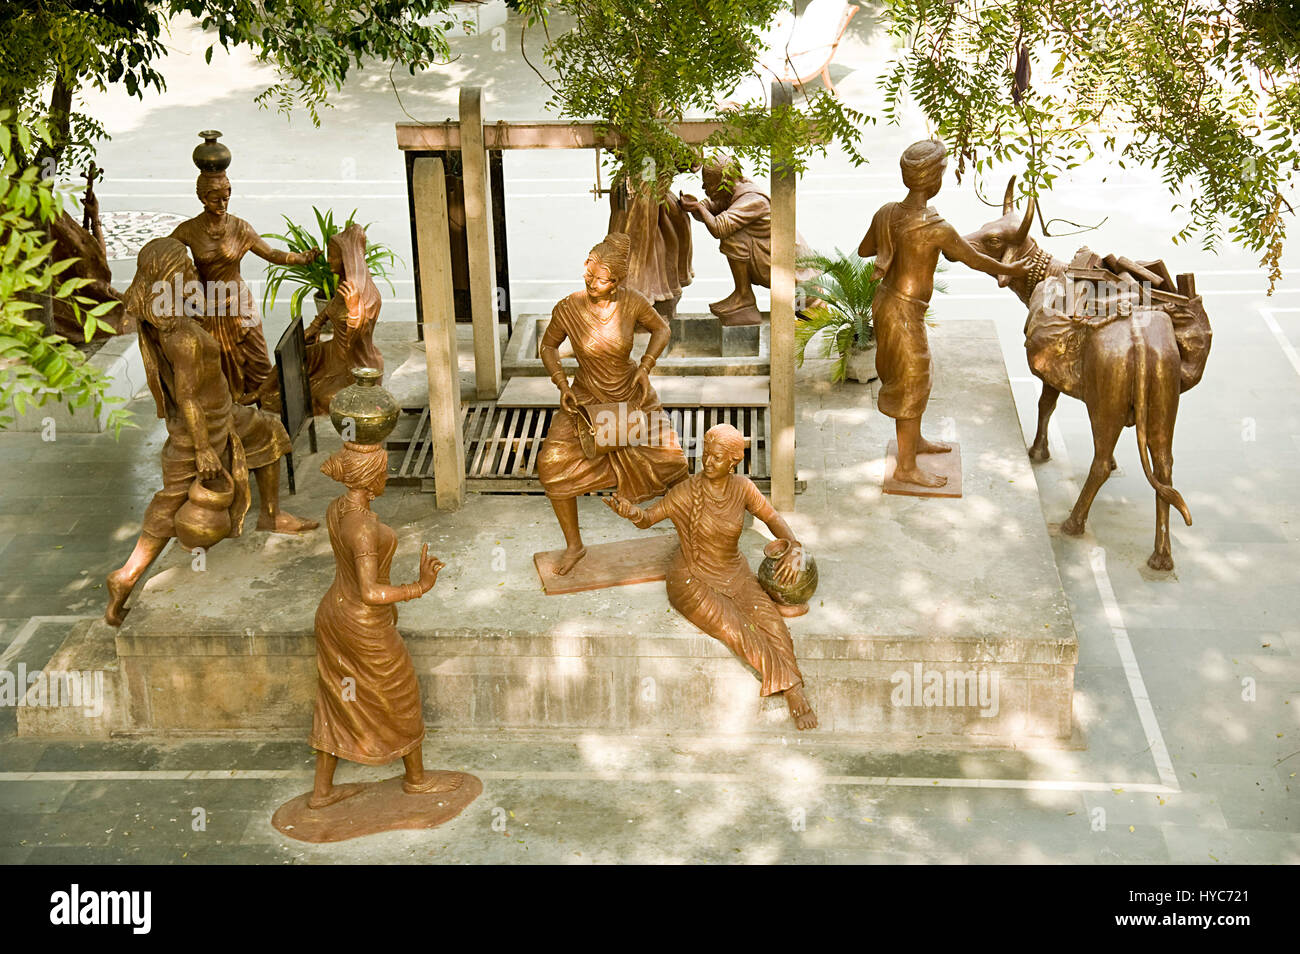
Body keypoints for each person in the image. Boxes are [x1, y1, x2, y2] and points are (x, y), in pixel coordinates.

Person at [105, 239, 318, 627]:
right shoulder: (181, 336)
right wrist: (203, 448)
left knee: (269, 431)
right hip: (203, 428)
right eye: (184, 265)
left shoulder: (169, 321)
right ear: (168, 277)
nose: (190, 269)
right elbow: (186, 397)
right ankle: (125, 577)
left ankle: (270, 515)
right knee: (170, 506)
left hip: (224, 414)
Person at [606, 423, 817, 729]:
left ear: (733, 462)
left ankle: (792, 684)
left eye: (717, 458)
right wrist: (631, 512)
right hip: (691, 580)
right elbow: (648, 518)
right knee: (738, 628)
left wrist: (795, 546)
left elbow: (772, 518)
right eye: (706, 455)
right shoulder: (686, 491)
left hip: (734, 570)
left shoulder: (742, 488)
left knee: (771, 621)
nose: (708, 462)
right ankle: (793, 690)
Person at [858, 140, 1031, 488]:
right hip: (904, 313)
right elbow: (974, 258)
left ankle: (914, 442)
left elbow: (865, 250)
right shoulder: (936, 228)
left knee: (914, 375)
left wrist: (890, 243)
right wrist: (1012, 270)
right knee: (912, 379)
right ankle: (905, 467)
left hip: (889, 304)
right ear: (935, 180)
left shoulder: (887, 212)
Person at [307, 441, 460, 807]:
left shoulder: (338, 508)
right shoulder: (361, 528)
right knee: (401, 693)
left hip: (335, 614)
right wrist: (418, 587)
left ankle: (322, 791)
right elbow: (371, 592)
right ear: (369, 475)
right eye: (384, 470)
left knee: (339, 698)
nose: (387, 476)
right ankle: (417, 780)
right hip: (361, 623)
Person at [537, 233, 689, 575]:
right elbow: (547, 347)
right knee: (551, 466)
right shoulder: (568, 307)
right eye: (588, 275)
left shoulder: (632, 302)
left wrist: (646, 366)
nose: (591, 283)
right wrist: (561, 383)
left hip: (631, 394)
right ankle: (574, 546)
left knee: (673, 464)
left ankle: (691, 534)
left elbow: (661, 330)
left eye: (600, 279)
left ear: (617, 282)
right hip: (585, 400)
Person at [170, 162, 319, 405]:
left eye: (226, 198)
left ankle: (269, 406)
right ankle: (231, 412)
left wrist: (299, 259)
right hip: (210, 308)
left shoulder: (240, 227)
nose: (222, 205)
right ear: (203, 198)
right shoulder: (189, 230)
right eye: (216, 199)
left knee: (258, 360)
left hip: (241, 304)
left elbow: (270, 253)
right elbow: (166, 254)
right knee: (221, 362)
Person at [260, 223, 383, 415]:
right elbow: (332, 306)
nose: (328, 260)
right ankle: (260, 391)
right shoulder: (345, 284)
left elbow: (357, 338)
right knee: (289, 360)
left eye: (333, 256)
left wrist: (354, 311)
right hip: (332, 352)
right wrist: (315, 326)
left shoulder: (367, 296)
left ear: (346, 259)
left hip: (352, 364)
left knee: (324, 398)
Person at [680, 156, 817, 324]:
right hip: (774, 260)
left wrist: (699, 208)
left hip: (796, 276)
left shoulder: (752, 200)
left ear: (724, 181)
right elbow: (714, 206)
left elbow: (719, 228)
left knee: (732, 236)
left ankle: (744, 297)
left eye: (708, 183)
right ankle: (742, 295)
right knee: (733, 232)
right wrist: (698, 206)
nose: (703, 187)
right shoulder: (736, 192)